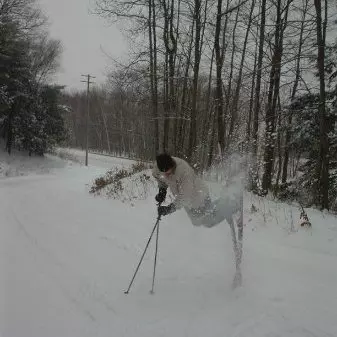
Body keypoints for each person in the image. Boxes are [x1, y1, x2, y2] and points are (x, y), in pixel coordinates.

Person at [152, 153, 239, 227]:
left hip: (199, 195)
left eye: (169, 172)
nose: (166, 175)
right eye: (164, 173)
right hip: (188, 201)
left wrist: (170, 208)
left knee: (208, 221)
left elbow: (185, 196)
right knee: (196, 222)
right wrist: (162, 190)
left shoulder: (184, 171)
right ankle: (223, 202)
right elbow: (160, 178)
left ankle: (232, 205)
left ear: (172, 165)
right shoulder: (158, 167)